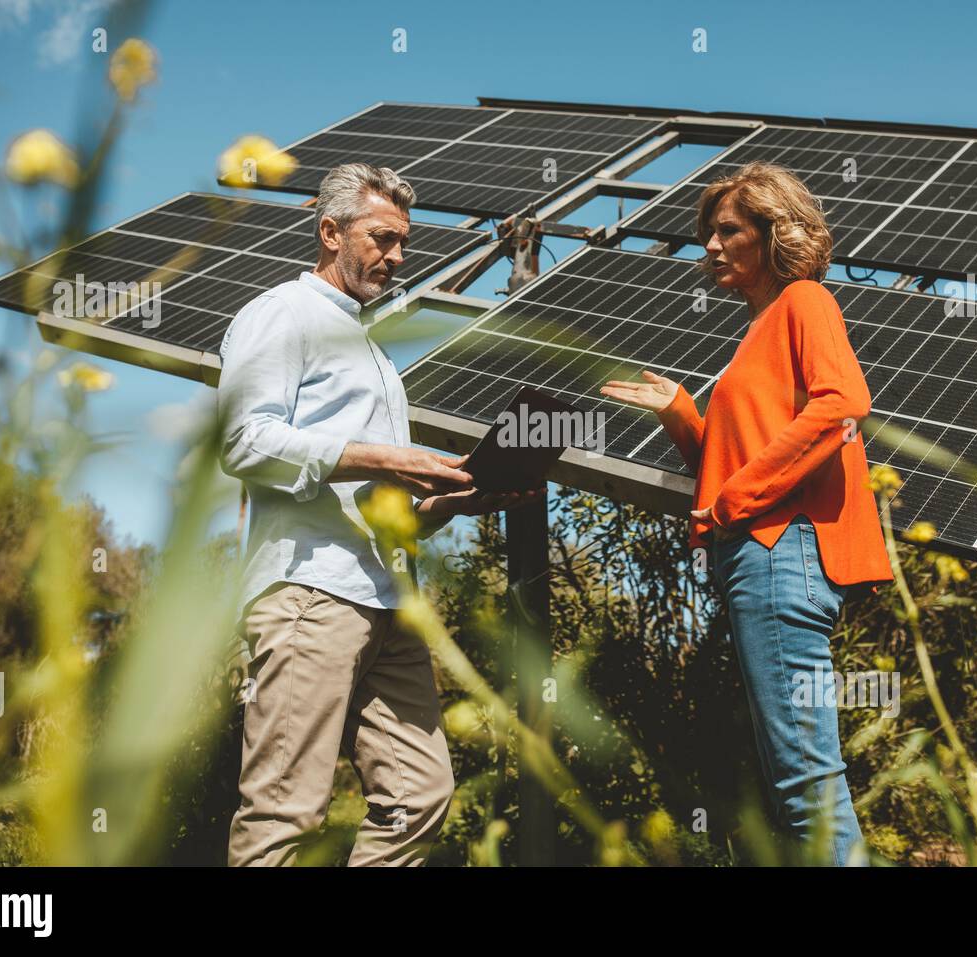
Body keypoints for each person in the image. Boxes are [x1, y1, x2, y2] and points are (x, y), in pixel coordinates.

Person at [217, 162, 542, 866]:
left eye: (403, 242)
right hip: (311, 593)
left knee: (419, 795)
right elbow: (244, 441)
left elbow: (382, 506)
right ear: (330, 231)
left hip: (390, 602)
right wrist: (387, 458)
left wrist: (454, 500)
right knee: (284, 811)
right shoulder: (282, 314)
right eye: (382, 238)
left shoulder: (372, 354)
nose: (397, 257)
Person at [601, 161, 893, 866]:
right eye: (708, 233)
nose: (709, 245)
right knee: (796, 779)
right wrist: (682, 414)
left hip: (777, 552)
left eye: (726, 230)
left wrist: (733, 504)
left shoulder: (803, 303)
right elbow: (734, 464)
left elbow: (843, 405)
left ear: (772, 233)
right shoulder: (759, 330)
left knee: (806, 783)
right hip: (764, 552)